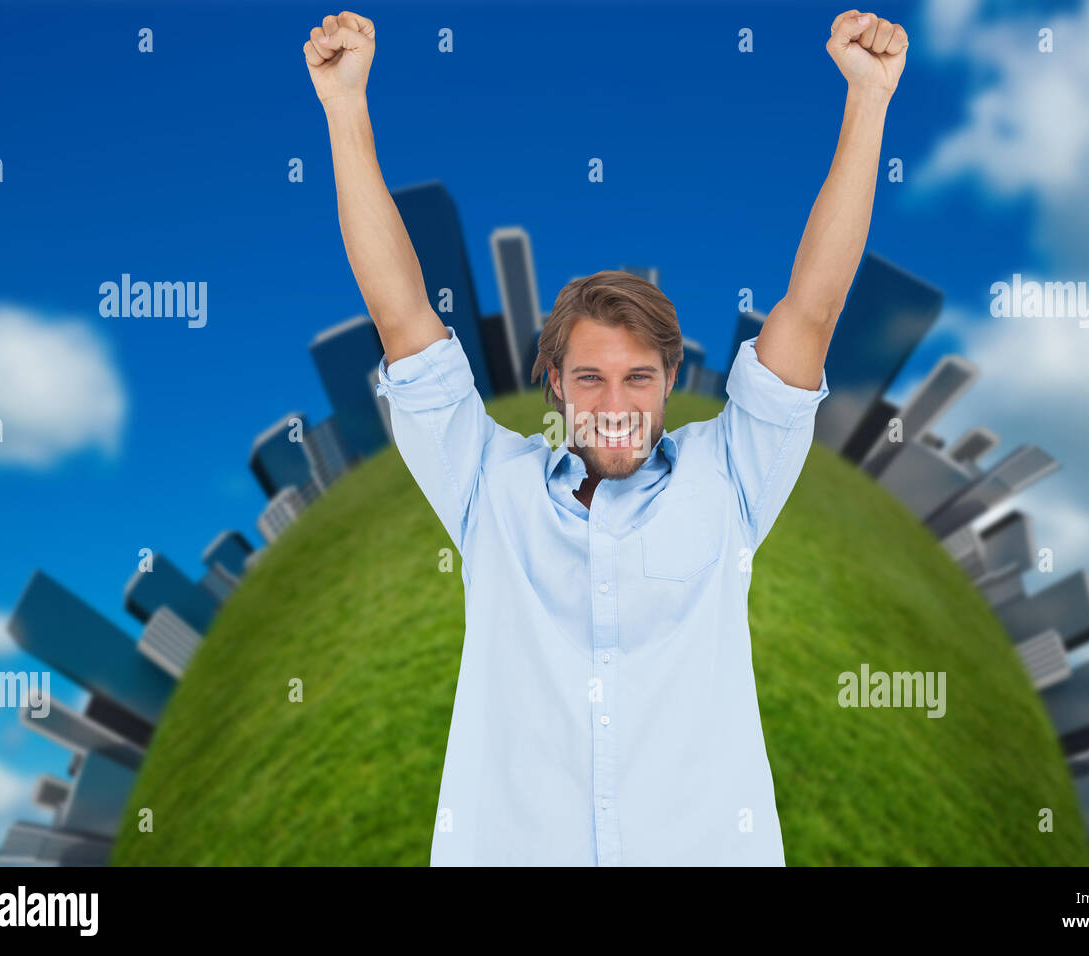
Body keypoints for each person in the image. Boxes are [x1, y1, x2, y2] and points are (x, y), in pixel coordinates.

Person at [304, 8, 907, 865]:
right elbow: (400, 314)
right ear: (554, 385)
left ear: (670, 382)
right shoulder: (488, 490)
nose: (615, 402)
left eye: (638, 378)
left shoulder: (730, 479)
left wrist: (869, 102)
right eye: (589, 378)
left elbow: (811, 309)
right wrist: (344, 106)